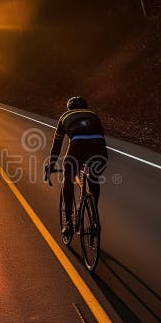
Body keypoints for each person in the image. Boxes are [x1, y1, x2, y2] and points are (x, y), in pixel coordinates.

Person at [44, 96, 109, 237]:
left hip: (78, 147)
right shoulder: (93, 116)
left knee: (68, 179)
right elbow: (100, 138)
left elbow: (57, 145)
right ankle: (94, 220)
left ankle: (68, 222)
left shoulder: (64, 116)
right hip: (100, 150)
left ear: (69, 108)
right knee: (93, 179)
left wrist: (51, 165)